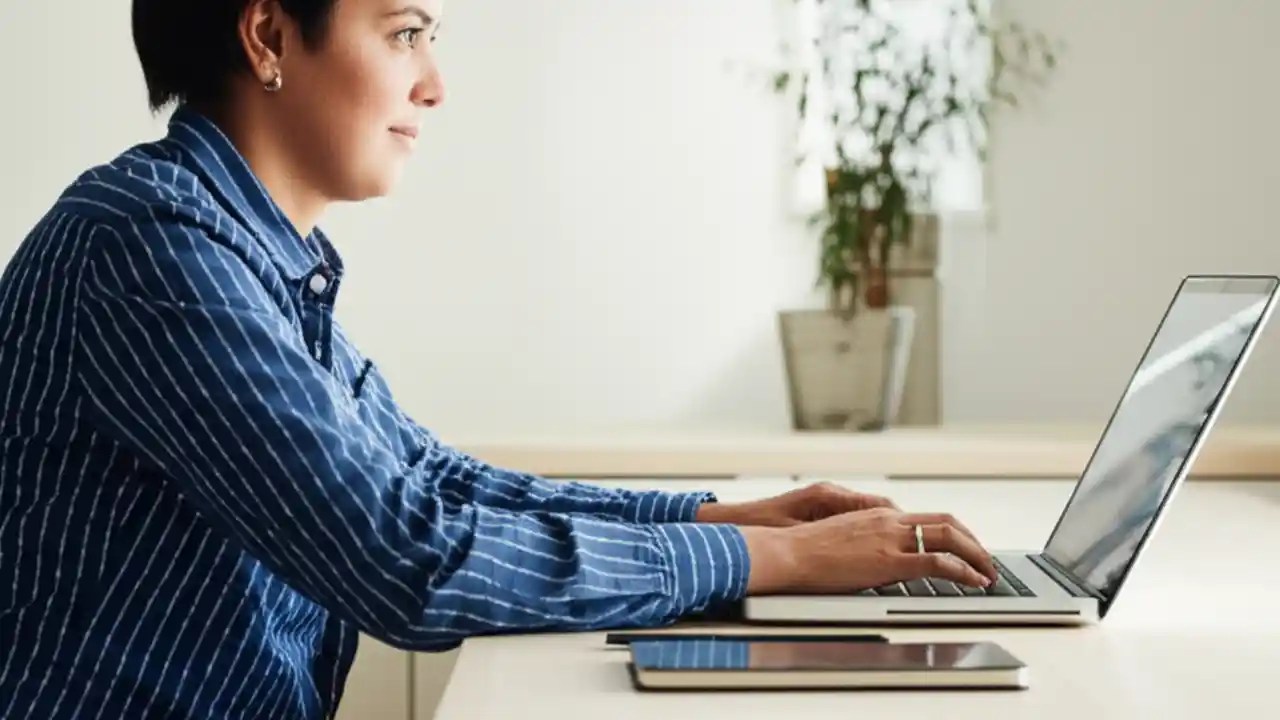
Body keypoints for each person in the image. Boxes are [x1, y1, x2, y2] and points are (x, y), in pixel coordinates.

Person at [0, 1, 998, 717]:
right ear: (267, 35)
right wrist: (768, 559)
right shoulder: (149, 249)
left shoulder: (240, 251)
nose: (434, 84)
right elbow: (407, 560)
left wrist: (719, 518)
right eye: (402, 32)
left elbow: (435, 484)